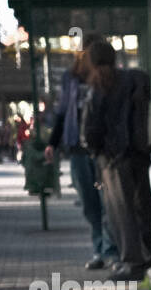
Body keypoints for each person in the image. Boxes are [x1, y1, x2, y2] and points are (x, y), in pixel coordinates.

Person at [82, 39, 151, 281]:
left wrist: (95, 150)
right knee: (141, 206)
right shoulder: (134, 78)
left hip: (112, 159)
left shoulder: (98, 87)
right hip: (139, 153)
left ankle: (131, 262)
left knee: (120, 212)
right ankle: (148, 255)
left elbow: (90, 129)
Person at [45, 36, 119, 270]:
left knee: (105, 199)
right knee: (89, 202)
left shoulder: (109, 76)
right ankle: (99, 248)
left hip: (101, 149)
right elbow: (62, 111)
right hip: (77, 147)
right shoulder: (71, 78)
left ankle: (111, 250)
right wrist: (52, 143)